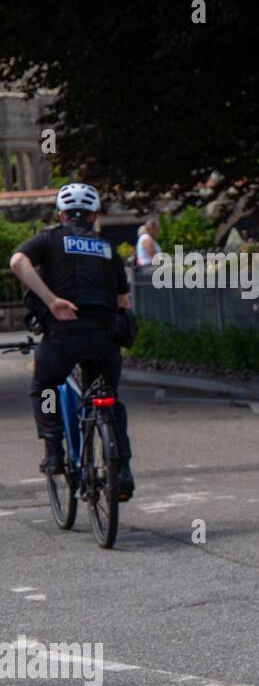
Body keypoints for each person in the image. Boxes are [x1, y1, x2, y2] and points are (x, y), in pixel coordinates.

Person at [9, 182, 136, 497]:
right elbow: (124, 302)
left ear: (61, 214)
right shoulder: (107, 248)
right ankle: (121, 472)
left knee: (46, 387)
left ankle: (53, 453)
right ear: (94, 215)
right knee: (108, 398)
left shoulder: (49, 239)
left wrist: (52, 301)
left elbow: (17, 263)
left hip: (64, 335)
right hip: (104, 338)